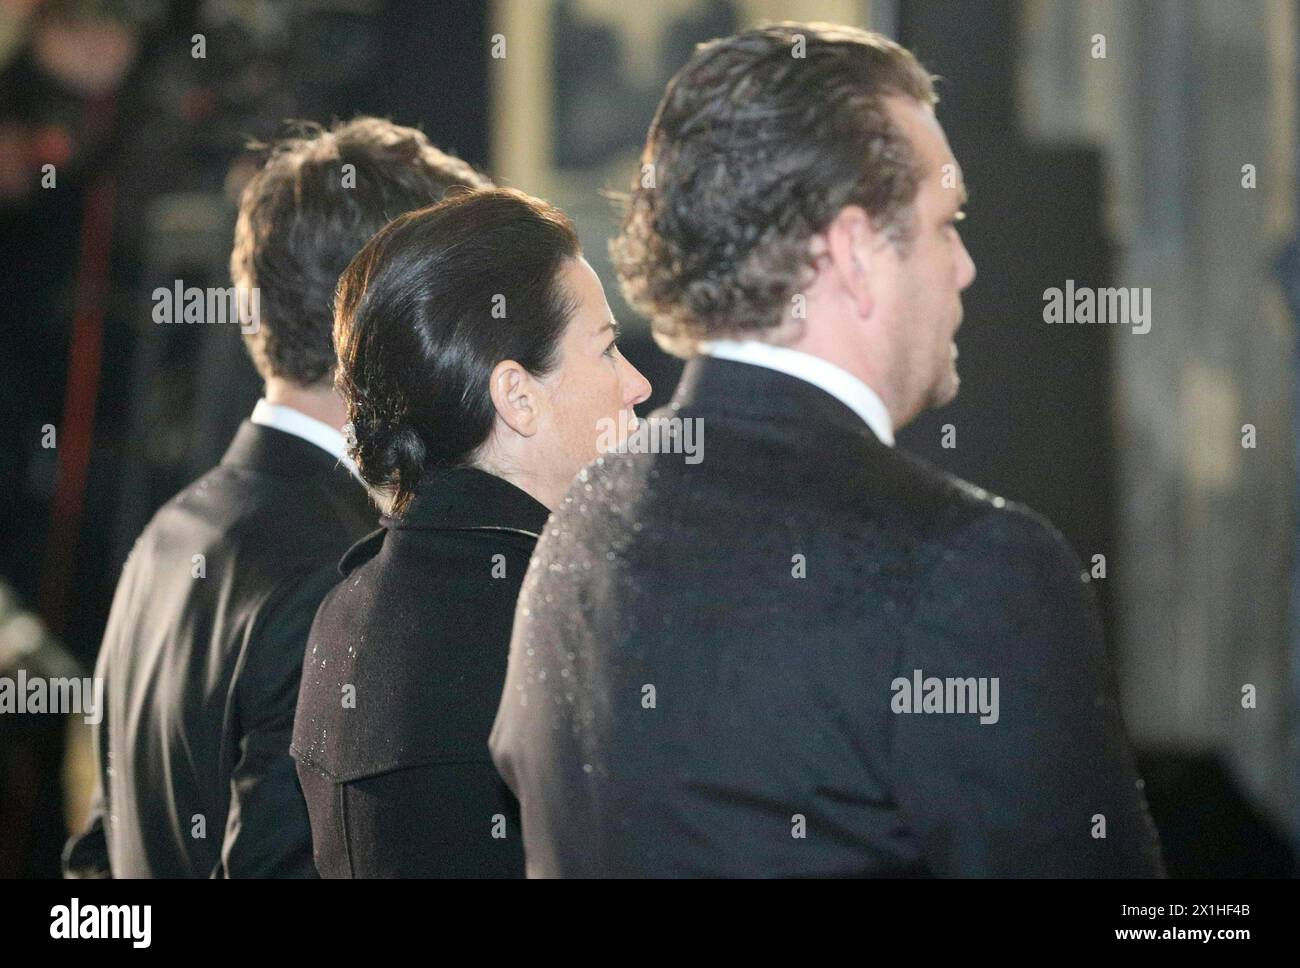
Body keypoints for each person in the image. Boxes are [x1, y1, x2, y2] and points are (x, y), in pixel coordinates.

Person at [489, 23, 1166, 877]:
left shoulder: (578, 523)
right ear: (852, 252)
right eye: (943, 222)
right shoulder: (972, 567)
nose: (964, 267)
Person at [62, 118, 490, 878]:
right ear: (389, 307)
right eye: (453, 294)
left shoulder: (170, 533)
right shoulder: (347, 572)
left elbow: (99, 857)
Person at [291, 187, 651, 877]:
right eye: (606, 350)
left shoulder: (342, 610)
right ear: (518, 396)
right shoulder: (561, 625)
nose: (636, 383)